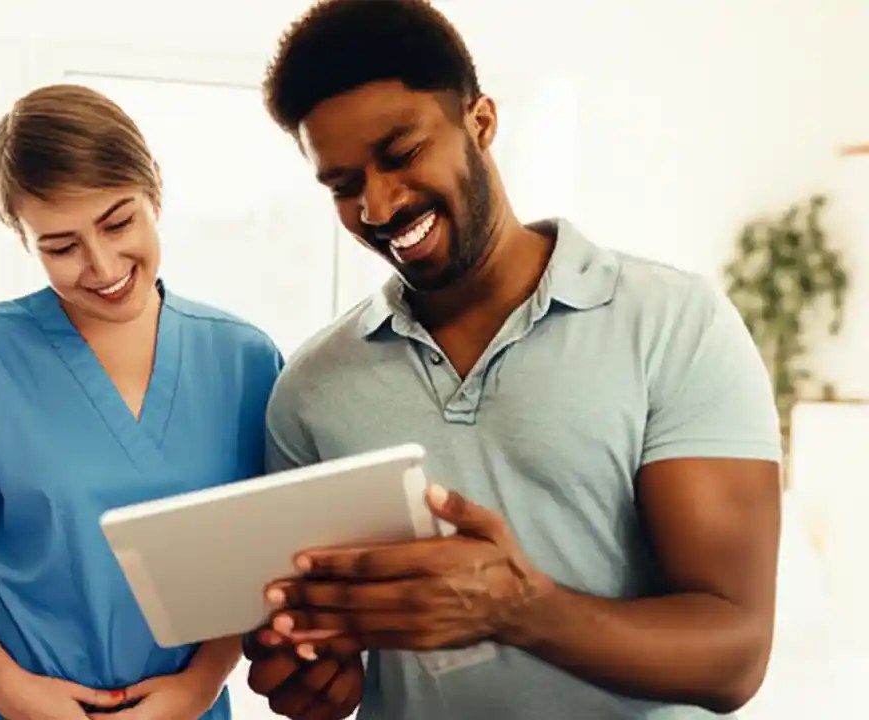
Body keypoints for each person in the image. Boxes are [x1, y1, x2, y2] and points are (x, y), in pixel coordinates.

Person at [244, 1, 782, 718]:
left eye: (400, 154)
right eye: (343, 185)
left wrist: (518, 609)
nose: (377, 205)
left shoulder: (675, 323)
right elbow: (328, 662)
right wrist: (315, 675)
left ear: (482, 121)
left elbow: (734, 654)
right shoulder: (309, 391)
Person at [0, 83, 282, 720]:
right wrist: (13, 692)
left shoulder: (243, 360)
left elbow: (251, 561)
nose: (102, 264)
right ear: (21, 237)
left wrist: (200, 686)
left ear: (153, 187)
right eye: (60, 245)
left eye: (118, 222)